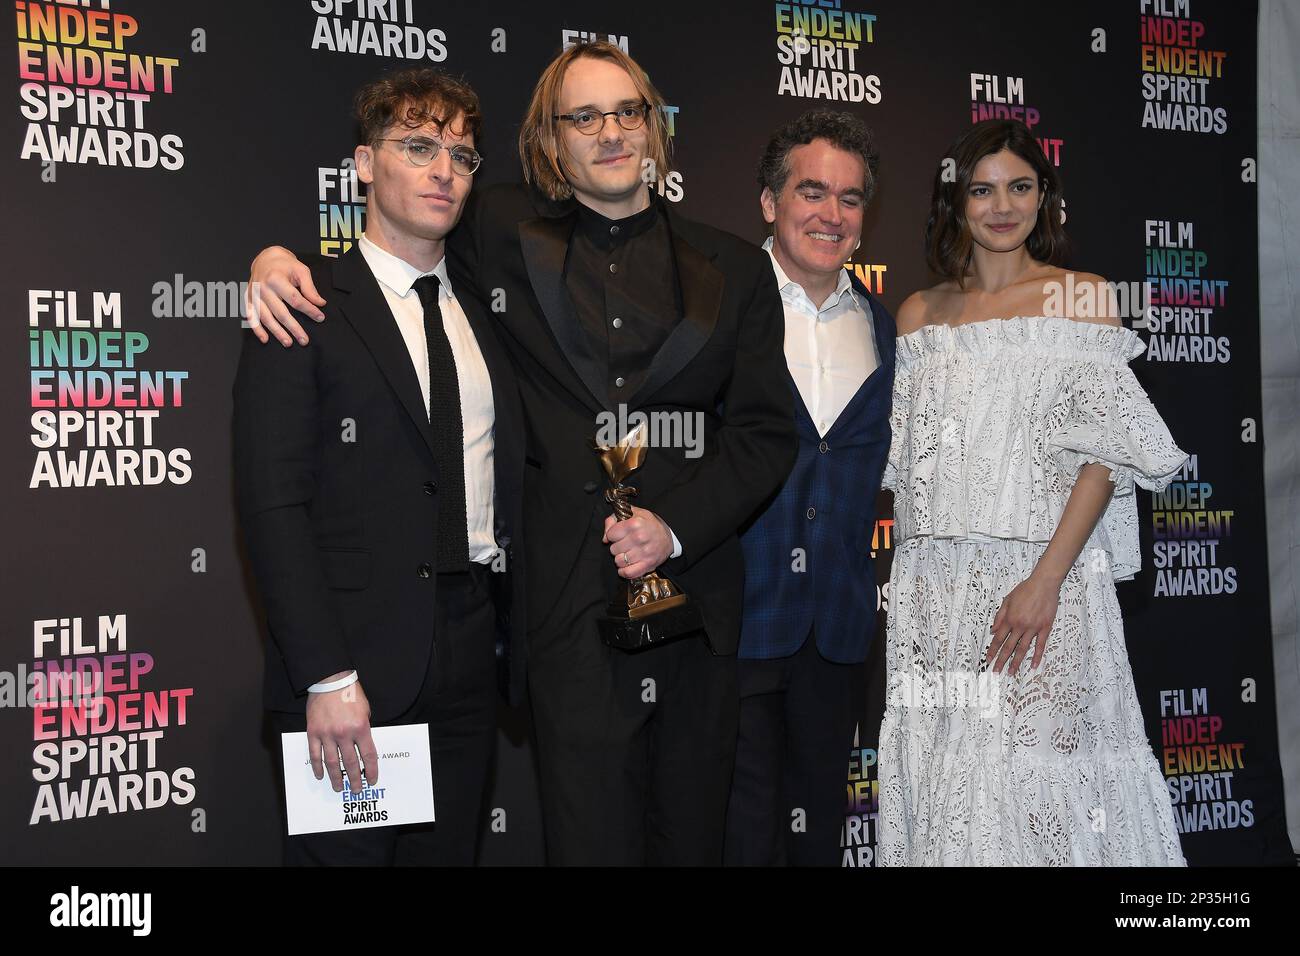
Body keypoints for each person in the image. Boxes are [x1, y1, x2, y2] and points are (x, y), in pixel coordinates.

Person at [244, 41, 796, 865]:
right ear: (551, 140)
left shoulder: (740, 269)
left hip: (695, 605)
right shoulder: (496, 232)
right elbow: (385, 251)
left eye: (627, 112)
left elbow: (766, 433)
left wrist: (675, 527)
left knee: (692, 841)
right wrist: (271, 259)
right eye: (584, 116)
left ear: (654, 127)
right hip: (559, 614)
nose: (609, 132)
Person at [233, 68, 526, 865]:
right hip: (351, 659)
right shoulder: (306, 299)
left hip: (472, 647)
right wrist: (323, 676)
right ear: (365, 164)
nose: (444, 171)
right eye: (418, 146)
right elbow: (272, 502)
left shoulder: (487, 309)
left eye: (462, 157)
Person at [879, 118, 1188, 865]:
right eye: (981, 190)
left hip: (1043, 587)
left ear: (1044, 198)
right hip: (935, 599)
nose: (1001, 206)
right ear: (954, 203)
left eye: (1020, 187)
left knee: (1041, 787)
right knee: (948, 784)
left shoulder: (1078, 298)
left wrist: (1044, 581)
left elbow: (1105, 457)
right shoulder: (917, 315)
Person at [725, 110, 894, 866]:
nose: (831, 214)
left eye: (850, 199)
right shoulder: (718, 308)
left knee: (816, 837)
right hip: (735, 626)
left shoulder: (886, 328)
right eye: (812, 191)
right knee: (736, 835)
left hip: (839, 636)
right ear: (769, 202)